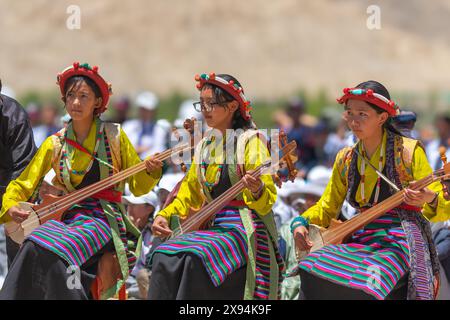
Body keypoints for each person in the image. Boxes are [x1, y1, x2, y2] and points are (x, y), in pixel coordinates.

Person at [0, 62, 163, 300]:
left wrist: (150, 170)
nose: (75, 102)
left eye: (83, 96)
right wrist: (11, 203)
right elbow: (23, 182)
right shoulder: (55, 143)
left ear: (97, 102)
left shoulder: (115, 137)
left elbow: (138, 185)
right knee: (33, 243)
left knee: (59, 250)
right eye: (71, 96)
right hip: (68, 217)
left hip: (105, 218)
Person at [291, 81, 445, 300]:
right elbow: (327, 207)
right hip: (361, 235)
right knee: (311, 266)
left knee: (370, 279)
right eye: (349, 113)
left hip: (401, 238)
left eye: (362, 114)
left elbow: (441, 201)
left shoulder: (408, 152)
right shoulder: (345, 158)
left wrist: (428, 198)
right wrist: (300, 223)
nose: (353, 121)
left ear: (382, 118)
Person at [147, 73, 283, 300]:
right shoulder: (205, 146)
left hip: (245, 227)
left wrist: (257, 188)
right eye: (202, 104)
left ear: (231, 106)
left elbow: (268, 199)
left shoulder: (252, 142)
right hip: (211, 223)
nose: (205, 109)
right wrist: (164, 214)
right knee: (163, 254)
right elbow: (188, 195)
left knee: (194, 256)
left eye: (211, 104)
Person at [0, 79, 37, 287]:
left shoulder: (14, 116)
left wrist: (8, 206)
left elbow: (22, 168)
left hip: (14, 188)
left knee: (17, 233)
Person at [279, 165, 332, 300]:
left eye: (313, 197)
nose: (308, 201)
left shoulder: (338, 229)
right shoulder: (287, 230)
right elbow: (278, 264)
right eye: (308, 197)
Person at [122, 91, 171, 160]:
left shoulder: (160, 129)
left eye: (148, 110)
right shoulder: (128, 126)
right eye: (143, 109)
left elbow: (158, 151)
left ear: (154, 111)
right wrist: (140, 149)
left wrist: (135, 150)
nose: (145, 113)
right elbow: (123, 149)